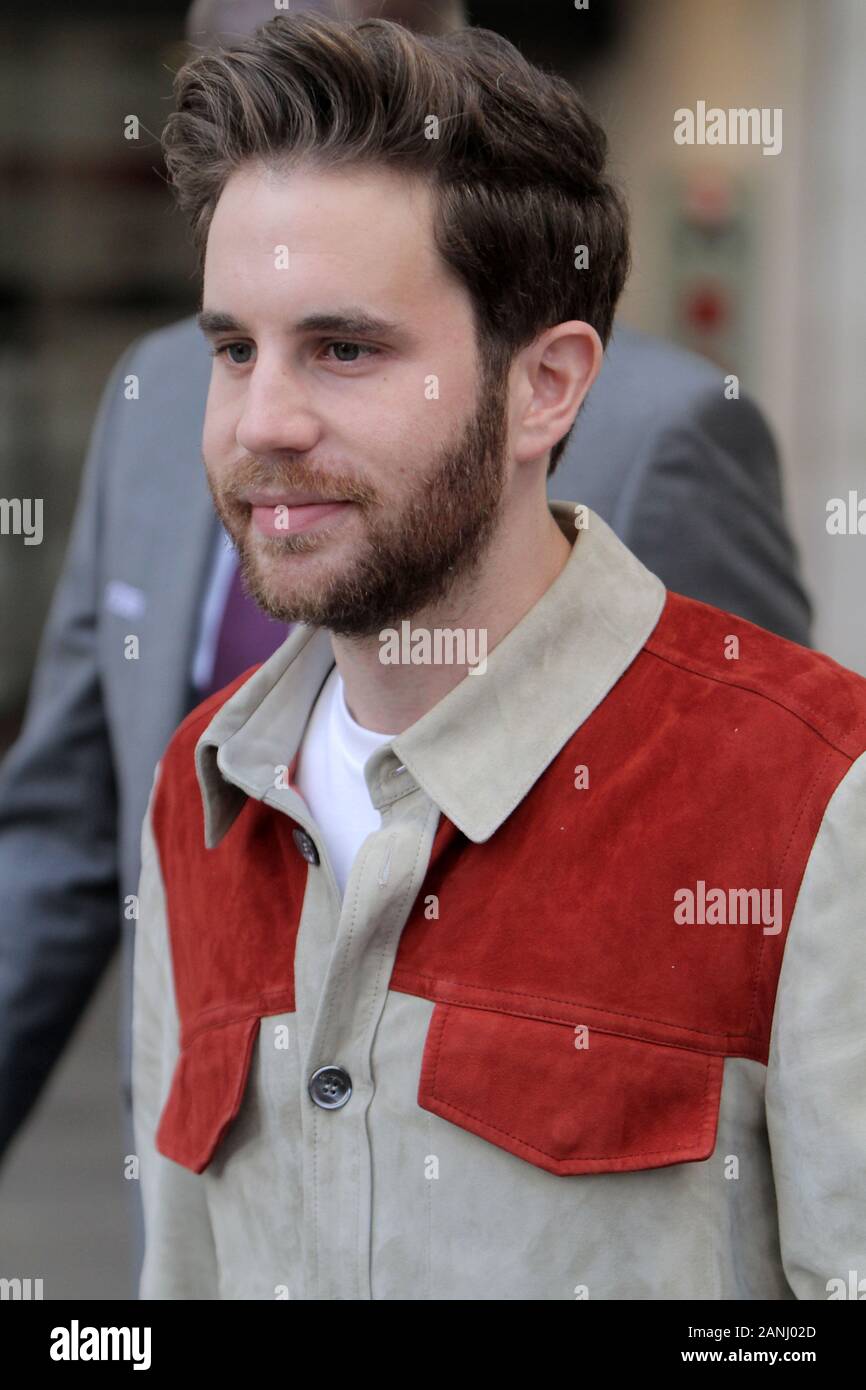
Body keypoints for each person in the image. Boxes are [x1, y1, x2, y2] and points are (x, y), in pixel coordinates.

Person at [133, 12, 864, 1300]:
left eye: (344, 349)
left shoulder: (815, 797)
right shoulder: (203, 787)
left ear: (547, 388)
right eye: (235, 349)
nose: (264, 422)